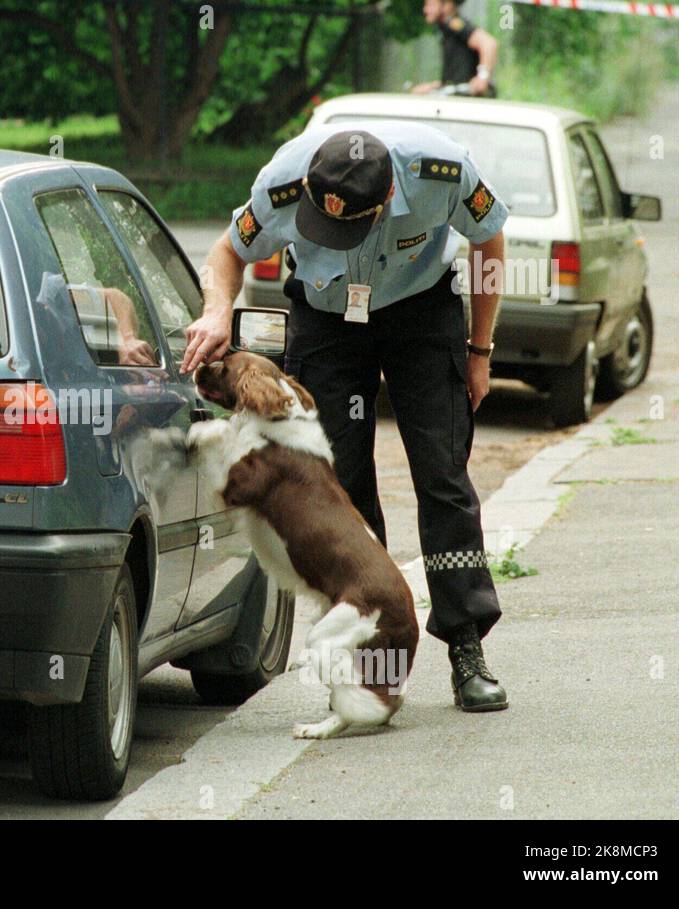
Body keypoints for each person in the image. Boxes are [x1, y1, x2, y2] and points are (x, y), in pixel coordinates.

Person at [182, 124, 510, 712]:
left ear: (387, 200)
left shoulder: (443, 172)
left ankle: (466, 646)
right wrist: (216, 312)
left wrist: (480, 350)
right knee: (341, 486)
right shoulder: (284, 181)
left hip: (420, 312)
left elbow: (490, 240)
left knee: (443, 477)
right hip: (328, 321)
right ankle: (374, 657)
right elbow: (229, 250)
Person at [412, 0, 498, 97]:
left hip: (470, 102)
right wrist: (432, 87)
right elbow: (456, 81)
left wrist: (483, 77)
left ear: (447, 5)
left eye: (430, 5)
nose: (425, 10)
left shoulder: (455, 24)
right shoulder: (446, 31)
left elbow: (488, 43)